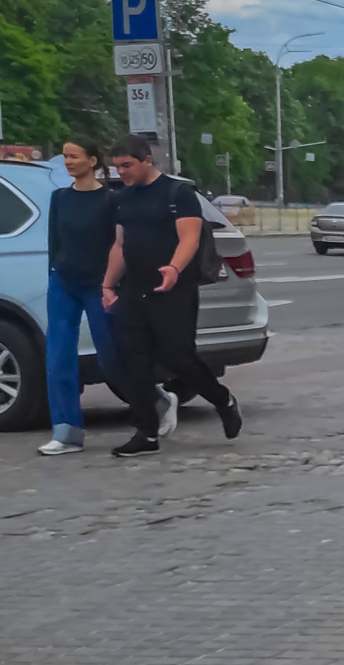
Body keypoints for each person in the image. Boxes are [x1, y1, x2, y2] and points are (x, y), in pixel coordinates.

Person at [101, 134, 241, 457]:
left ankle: (223, 400)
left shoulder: (178, 193)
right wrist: (108, 285)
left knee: (179, 357)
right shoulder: (123, 198)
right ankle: (146, 433)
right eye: (117, 167)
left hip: (174, 289)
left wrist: (174, 269)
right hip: (135, 290)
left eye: (127, 165)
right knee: (133, 362)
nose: (121, 172)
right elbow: (120, 245)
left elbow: (189, 238)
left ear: (147, 160)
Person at [37, 139, 143, 455]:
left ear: (92, 160)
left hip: (99, 285)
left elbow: (120, 246)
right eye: (65, 156)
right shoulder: (59, 198)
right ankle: (67, 432)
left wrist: (114, 285)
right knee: (57, 359)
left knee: (110, 356)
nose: (68, 161)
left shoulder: (111, 200)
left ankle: (153, 400)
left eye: (74, 156)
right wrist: (53, 274)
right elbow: (54, 241)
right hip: (63, 283)